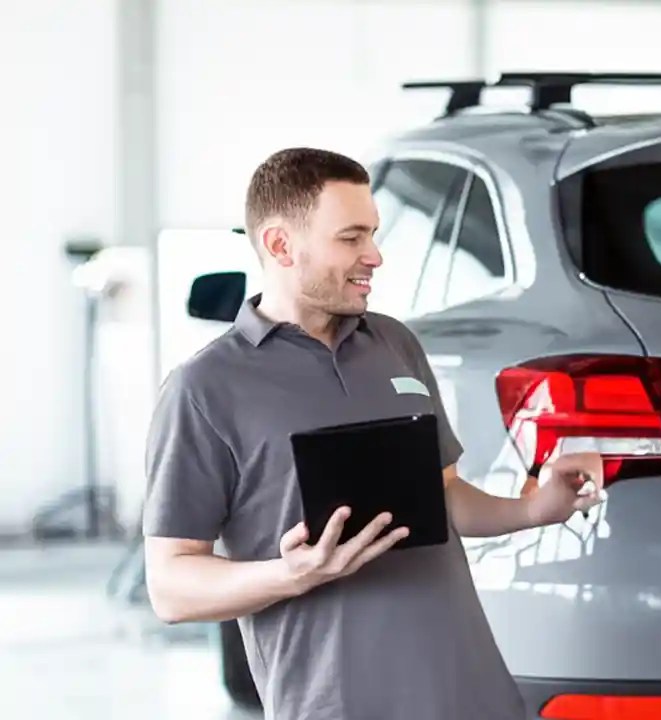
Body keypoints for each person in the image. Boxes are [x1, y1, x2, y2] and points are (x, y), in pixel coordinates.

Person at [141, 147, 604, 720]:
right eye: (351, 237)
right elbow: (171, 586)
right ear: (281, 246)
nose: (375, 255)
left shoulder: (394, 343)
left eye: (373, 234)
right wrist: (290, 574)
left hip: (471, 693)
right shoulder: (204, 388)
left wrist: (535, 508)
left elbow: (444, 497)